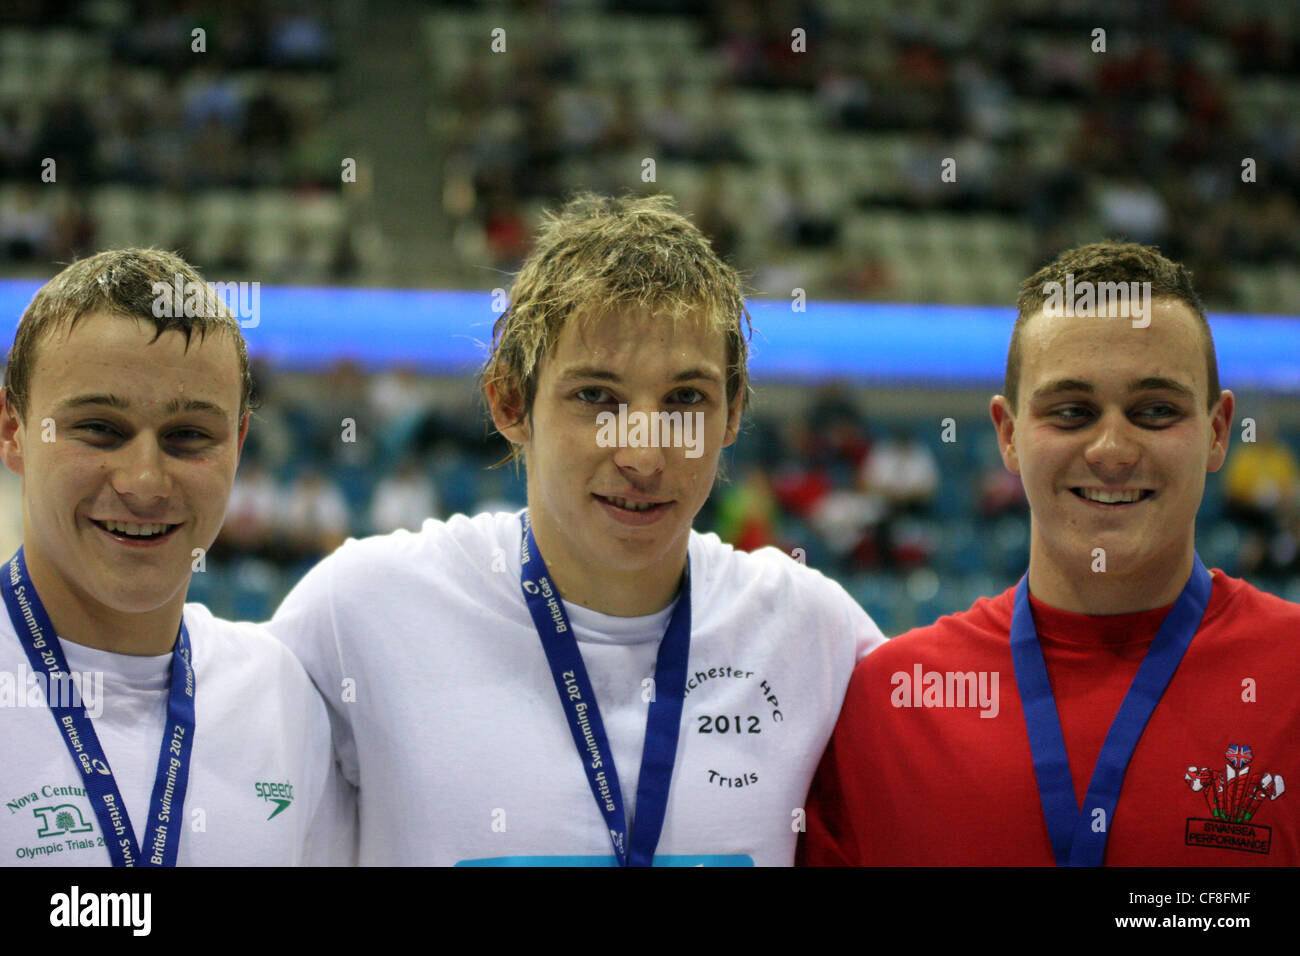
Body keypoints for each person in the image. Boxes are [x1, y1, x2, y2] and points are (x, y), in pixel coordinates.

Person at [268, 193, 886, 866]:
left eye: (686, 399)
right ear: (510, 402)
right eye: (596, 397)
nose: (644, 455)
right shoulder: (358, 613)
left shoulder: (816, 636)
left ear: (733, 414)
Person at [800, 241, 1300, 866]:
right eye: (1071, 412)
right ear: (1008, 436)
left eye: (1155, 410)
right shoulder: (892, 701)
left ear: (1218, 431)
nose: (1112, 450)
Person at [0, 249, 355, 866]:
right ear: (12, 431)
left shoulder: (280, 695)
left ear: (238, 444)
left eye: (189, 436)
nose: (144, 482)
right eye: (99, 429)